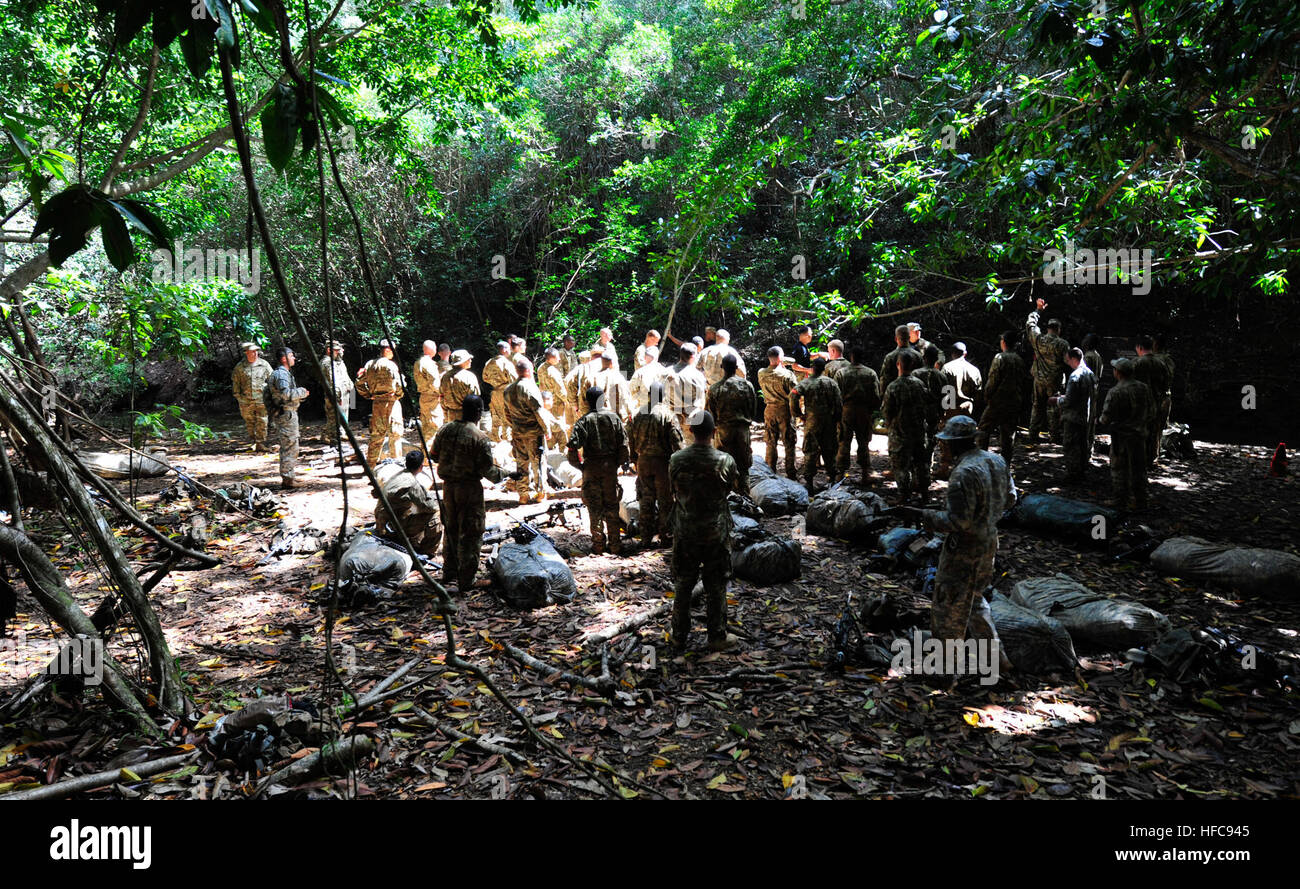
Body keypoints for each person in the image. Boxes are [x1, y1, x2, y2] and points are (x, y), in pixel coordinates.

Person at [891, 415, 1013, 675]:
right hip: (989, 543)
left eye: (946, 443)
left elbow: (958, 522)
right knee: (976, 603)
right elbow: (1011, 498)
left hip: (964, 550)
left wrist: (920, 515)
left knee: (949, 609)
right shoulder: (997, 461)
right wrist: (986, 512)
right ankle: (996, 662)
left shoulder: (963, 472)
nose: (943, 447)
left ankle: (944, 673)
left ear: (956, 444)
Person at [668, 410, 740, 654]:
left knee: (684, 583)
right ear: (713, 432)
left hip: (686, 530)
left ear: (690, 431)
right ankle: (717, 635)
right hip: (715, 531)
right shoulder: (725, 461)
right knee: (716, 583)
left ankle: (678, 636)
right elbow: (732, 488)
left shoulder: (677, 459)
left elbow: (673, 490)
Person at [430, 395, 508, 591]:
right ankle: (467, 579)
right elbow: (488, 471)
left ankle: (449, 572)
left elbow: (434, 455)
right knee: (471, 531)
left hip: (448, 487)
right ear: (479, 412)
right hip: (469, 489)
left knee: (451, 528)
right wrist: (508, 474)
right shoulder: (479, 437)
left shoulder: (446, 429)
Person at [567, 387, 629, 555]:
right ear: (603, 399)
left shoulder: (583, 421)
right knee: (612, 505)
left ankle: (598, 545)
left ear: (587, 402)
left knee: (594, 507)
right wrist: (618, 464)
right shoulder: (614, 418)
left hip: (591, 467)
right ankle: (615, 544)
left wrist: (580, 466)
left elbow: (572, 447)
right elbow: (624, 446)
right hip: (609, 468)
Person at [627, 381, 683, 548]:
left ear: (650, 394)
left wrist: (633, 458)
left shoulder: (638, 414)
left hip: (643, 461)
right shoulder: (668, 414)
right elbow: (677, 444)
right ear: (664, 395)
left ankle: (645, 538)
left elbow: (630, 438)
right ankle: (666, 538)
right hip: (662, 463)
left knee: (646, 499)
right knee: (665, 501)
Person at [1099, 358, 1156, 511]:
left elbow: (1106, 418)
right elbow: (1152, 412)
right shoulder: (1144, 388)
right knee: (1139, 468)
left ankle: (1120, 500)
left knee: (1119, 469)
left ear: (1118, 372)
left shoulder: (1116, 391)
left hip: (1121, 437)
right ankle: (1141, 500)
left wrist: (1102, 421)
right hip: (1139, 436)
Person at [882, 349, 929, 503]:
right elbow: (927, 406)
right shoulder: (920, 384)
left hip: (900, 433)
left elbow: (887, 412)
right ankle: (925, 495)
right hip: (919, 432)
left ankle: (904, 496)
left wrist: (891, 427)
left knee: (901, 466)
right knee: (921, 464)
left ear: (898, 365)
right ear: (913, 364)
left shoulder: (893, 387)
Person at [504, 356, 553, 504]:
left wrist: (515, 425)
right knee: (538, 462)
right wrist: (547, 429)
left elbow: (506, 413)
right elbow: (539, 412)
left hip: (517, 432)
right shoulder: (531, 388)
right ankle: (540, 493)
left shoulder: (508, 390)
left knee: (521, 462)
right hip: (533, 432)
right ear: (529, 370)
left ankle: (523, 494)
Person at [374, 450, 441, 557]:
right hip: (391, 528)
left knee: (412, 509)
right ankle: (428, 552)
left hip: (381, 522)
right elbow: (430, 507)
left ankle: (413, 541)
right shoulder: (411, 484)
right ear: (421, 467)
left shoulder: (396, 476)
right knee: (436, 515)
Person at [790, 356, 842, 491]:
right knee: (829, 450)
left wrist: (798, 414)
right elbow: (838, 402)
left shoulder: (806, 383)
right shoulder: (831, 383)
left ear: (812, 369)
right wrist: (836, 418)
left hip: (811, 422)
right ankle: (832, 479)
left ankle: (809, 482)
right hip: (828, 422)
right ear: (824, 369)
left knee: (810, 451)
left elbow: (793, 395)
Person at [976, 330, 1028, 466]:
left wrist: (987, 396)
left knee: (983, 429)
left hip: (998, 401)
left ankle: (981, 460)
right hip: (1014, 401)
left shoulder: (1000, 358)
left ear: (1003, 342)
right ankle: (1006, 463)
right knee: (1008, 434)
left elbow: (993, 379)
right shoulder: (1019, 359)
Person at [705, 353, 758, 480]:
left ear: (722, 367)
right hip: (742, 430)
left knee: (723, 467)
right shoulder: (747, 385)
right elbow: (753, 409)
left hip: (723, 432)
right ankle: (745, 495)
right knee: (743, 468)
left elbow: (709, 413)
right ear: (736, 367)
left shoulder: (714, 389)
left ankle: (727, 496)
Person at [935, 342, 982, 478]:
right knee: (966, 437)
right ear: (965, 354)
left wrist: (942, 412)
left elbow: (944, 391)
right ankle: (966, 466)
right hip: (967, 407)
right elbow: (978, 392)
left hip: (951, 406)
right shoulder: (974, 369)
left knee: (947, 438)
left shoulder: (947, 368)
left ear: (952, 354)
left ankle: (945, 467)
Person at [356, 339, 406, 466]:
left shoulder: (369, 365)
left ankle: (371, 466)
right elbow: (400, 384)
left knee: (376, 435)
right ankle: (397, 464)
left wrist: (369, 395)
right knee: (395, 434)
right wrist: (398, 395)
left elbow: (359, 383)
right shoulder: (391, 365)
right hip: (391, 402)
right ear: (388, 349)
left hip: (377, 403)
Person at [1025, 298, 1069, 443]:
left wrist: (1038, 310)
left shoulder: (1038, 339)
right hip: (1054, 380)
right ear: (1059, 329)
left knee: (1037, 406)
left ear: (1048, 328)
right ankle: (1054, 437)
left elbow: (1030, 324)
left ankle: (1032, 435)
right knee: (1053, 408)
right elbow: (1068, 361)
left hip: (1038, 379)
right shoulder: (1062, 344)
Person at [1050, 348, 1096, 484]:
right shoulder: (1090, 373)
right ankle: (1081, 471)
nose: (1068, 362)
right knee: (1082, 445)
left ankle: (1072, 475)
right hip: (1084, 415)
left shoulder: (1075, 375)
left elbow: (1070, 400)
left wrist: (1056, 400)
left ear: (1073, 358)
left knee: (1070, 445)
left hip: (1073, 416)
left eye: (1068, 359)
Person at [264, 346, 308, 489]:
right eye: (291, 355)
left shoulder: (282, 374)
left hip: (286, 413)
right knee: (290, 446)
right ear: (284, 358)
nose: (294, 358)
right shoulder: (282, 375)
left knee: (290, 445)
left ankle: (289, 476)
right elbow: (285, 394)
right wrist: (302, 392)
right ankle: (288, 479)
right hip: (286, 414)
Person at [836, 344, 881, 481]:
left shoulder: (841, 373)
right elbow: (876, 395)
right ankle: (865, 474)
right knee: (863, 442)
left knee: (844, 441)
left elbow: (836, 394)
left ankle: (840, 474)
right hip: (863, 411)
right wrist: (871, 411)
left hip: (846, 410)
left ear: (851, 357)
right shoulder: (870, 373)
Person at [757, 346, 799, 479]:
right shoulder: (787, 375)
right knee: (789, 442)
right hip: (784, 410)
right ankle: (791, 472)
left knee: (770, 441)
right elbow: (795, 394)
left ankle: (770, 470)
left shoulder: (761, 373)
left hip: (769, 409)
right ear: (781, 358)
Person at [1132, 335, 1171, 466]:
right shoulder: (1161, 363)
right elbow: (1166, 384)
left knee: (1139, 432)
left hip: (1140, 404)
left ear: (1139, 347)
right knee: (1155, 432)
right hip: (1157, 403)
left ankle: (1139, 459)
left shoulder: (1136, 363)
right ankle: (1152, 458)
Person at [912, 345, 947, 480]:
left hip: (918, 414)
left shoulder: (916, 374)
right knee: (931, 443)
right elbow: (948, 399)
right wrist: (942, 414)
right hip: (934, 414)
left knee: (917, 443)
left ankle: (917, 476)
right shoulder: (942, 376)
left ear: (924, 358)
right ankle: (928, 470)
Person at [231, 342, 273, 452]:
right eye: (252, 352)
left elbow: (272, 381)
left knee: (262, 421)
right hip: (246, 401)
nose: (255, 353)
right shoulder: (240, 368)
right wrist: (240, 398)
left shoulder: (264, 365)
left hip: (261, 400)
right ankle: (254, 442)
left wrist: (270, 396)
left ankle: (261, 443)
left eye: (256, 351)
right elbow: (236, 385)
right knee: (250, 423)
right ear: (246, 353)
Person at [665, 342, 707, 432]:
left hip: (669, 421)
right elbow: (700, 401)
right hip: (690, 423)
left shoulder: (665, 373)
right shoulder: (697, 376)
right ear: (693, 357)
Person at [319, 340, 354, 446]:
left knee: (342, 415)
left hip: (344, 393)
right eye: (337, 350)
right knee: (333, 417)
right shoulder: (327, 363)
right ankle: (330, 437)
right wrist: (337, 396)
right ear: (329, 350)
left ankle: (340, 433)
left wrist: (350, 387)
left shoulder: (338, 362)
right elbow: (332, 381)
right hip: (335, 394)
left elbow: (345, 376)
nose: (340, 352)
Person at [482, 340, 518, 443]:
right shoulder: (506, 363)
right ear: (505, 350)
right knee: (506, 417)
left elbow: (485, 377)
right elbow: (514, 380)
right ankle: (506, 440)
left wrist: (495, 383)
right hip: (505, 392)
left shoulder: (489, 362)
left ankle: (495, 438)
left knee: (495, 416)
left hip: (495, 391)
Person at [413, 339, 443, 447]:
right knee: (434, 427)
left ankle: (425, 455)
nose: (436, 349)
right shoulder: (429, 363)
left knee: (426, 427)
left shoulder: (418, 362)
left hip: (424, 397)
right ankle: (429, 458)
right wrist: (443, 393)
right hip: (432, 399)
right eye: (435, 347)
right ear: (431, 349)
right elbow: (435, 383)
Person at [439, 349, 479, 423]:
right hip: (467, 416)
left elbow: (441, 397)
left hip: (451, 415)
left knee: (454, 434)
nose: (470, 361)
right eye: (468, 359)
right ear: (463, 362)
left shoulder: (445, 377)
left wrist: (445, 413)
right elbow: (475, 399)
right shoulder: (469, 376)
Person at [592, 351, 633, 421]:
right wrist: (630, 412)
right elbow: (625, 397)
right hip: (617, 416)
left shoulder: (595, 377)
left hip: (601, 417)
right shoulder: (618, 377)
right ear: (611, 362)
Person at [1081, 333, 1104, 458]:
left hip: (1087, 391)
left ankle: (1084, 449)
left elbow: (1084, 375)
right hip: (1095, 390)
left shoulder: (1087, 357)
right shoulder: (1098, 356)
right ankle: (1089, 448)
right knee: (1091, 421)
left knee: (1085, 420)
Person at [565, 348, 603, 421]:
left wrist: (574, 405)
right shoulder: (608, 368)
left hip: (585, 406)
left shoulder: (580, 369)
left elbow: (568, 382)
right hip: (599, 406)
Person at [629, 344, 669, 412]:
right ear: (657, 357)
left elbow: (631, 392)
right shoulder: (666, 372)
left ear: (645, 357)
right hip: (661, 411)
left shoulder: (640, 372)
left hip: (643, 411)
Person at [1152, 332, 1174, 454]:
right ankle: (1154, 454)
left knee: (1154, 428)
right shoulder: (1167, 360)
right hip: (1164, 396)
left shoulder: (1159, 359)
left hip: (1158, 396)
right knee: (1157, 429)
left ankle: (1153, 455)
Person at [879, 325, 917, 391]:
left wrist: (883, 395)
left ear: (896, 338)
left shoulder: (890, 357)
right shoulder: (917, 356)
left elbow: (884, 379)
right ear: (909, 338)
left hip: (893, 393)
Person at [538, 348, 568, 427]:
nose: (559, 359)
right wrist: (567, 401)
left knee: (548, 423)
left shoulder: (540, 368)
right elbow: (560, 390)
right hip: (556, 403)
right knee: (558, 425)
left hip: (544, 400)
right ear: (551, 358)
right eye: (557, 357)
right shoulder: (553, 372)